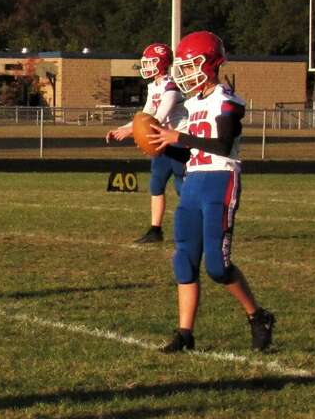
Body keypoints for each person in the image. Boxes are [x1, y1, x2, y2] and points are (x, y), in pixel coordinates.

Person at [147, 31, 275, 353]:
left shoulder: (227, 100)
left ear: (211, 64)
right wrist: (158, 144)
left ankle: (257, 315)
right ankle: (185, 334)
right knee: (184, 260)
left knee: (217, 267)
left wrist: (178, 138)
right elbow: (191, 150)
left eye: (191, 66)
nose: (186, 73)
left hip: (221, 180)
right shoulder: (192, 104)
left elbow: (222, 144)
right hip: (193, 181)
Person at [106, 42, 190, 243]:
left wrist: (130, 131)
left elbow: (157, 118)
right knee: (156, 184)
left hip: (178, 141)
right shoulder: (155, 87)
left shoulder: (171, 88)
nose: (146, 66)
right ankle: (155, 230)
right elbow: (145, 115)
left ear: (161, 63)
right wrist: (122, 128)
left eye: (151, 62)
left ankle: (194, 226)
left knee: (182, 187)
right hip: (161, 140)